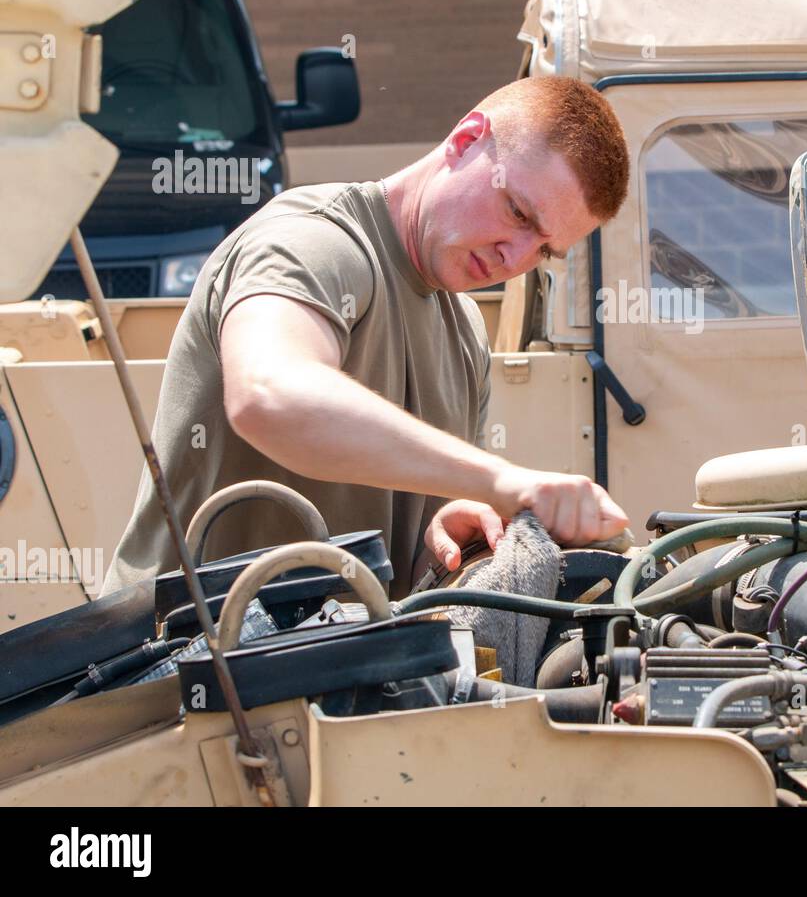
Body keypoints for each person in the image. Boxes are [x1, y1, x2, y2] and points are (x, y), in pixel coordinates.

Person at [100, 76, 630, 597]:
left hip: (339, 666)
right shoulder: (314, 241)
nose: (513, 257)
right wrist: (502, 480)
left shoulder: (465, 331)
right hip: (175, 664)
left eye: (542, 250)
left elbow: (412, 549)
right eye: (517, 212)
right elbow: (266, 394)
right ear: (466, 140)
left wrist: (451, 530)